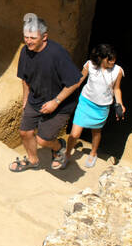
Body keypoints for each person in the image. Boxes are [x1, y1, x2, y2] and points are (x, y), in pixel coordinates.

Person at [10, 13, 83, 172]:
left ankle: (58, 148)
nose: (28, 41)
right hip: (35, 99)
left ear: (44, 37)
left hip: (61, 103)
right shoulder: (25, 51)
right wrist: (25, 100)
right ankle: (33, 160)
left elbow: (75, 82)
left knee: (43, 140)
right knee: (25, 132)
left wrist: (55, 102)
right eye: (26, 37)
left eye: (32, 38)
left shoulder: (57, 54)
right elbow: (25, 79)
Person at [65, 44, 125, 169]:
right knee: (74, 134)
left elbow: (117, 89)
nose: (113, 61)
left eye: (114, 58)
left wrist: (120, 104)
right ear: (101, 58)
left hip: (102, 107)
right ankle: (66, 154)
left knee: (96, 132)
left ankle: (93, 153)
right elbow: (78, 81)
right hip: (86, 102)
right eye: (109, 59)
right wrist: (61, 96)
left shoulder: (117, 71)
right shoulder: (90, 65)